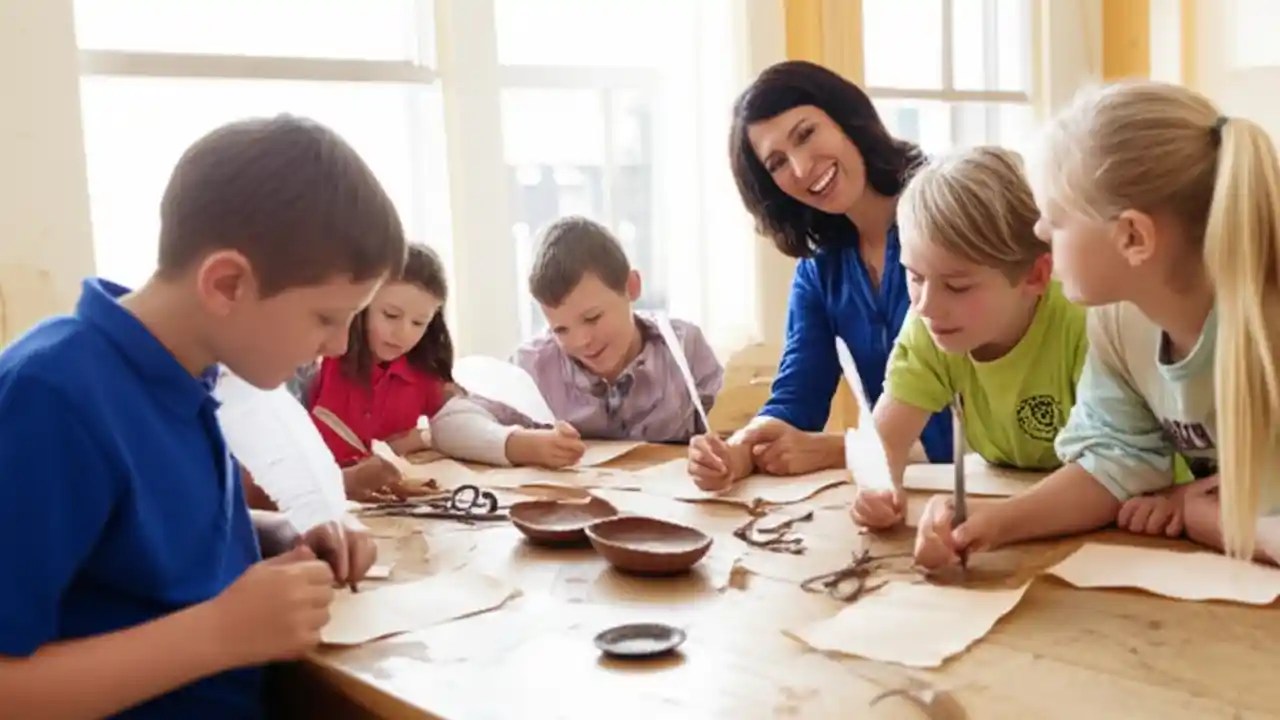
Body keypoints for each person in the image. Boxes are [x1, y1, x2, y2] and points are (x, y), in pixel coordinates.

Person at [0, 115, 391, 717]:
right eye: (325, 318)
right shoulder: (54, 394)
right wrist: (219, 634)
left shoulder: (185, 375)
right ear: (228, 284)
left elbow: (129, 551)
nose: (338, 347)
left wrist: (275, 541)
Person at [913, 80, 1280, 570]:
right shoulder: (1115, 323)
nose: (1040, 233)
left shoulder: (1264, 318)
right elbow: (1114, 462)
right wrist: (991, 522)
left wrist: (1203, 518)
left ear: (1132, 235)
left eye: (1056, 220)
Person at [687, 59, 952, 491]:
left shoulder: (946, 211)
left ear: (844, 118)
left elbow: (977, 430)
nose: (801, 168)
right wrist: (738, 449)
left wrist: (837, 449)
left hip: (1003, 486)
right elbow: (796, 398)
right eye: (776, 163)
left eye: (806, 134)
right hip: (903, 498)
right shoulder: (819, 270)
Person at [851, 146, 1086, 529]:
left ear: (1036, 277)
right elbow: (885, 445)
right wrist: (878, 489)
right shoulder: (929, 323)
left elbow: (1106, 476)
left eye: (957, 286)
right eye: (914, 276)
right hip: (1012, 496)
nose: (926, 305)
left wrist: (991, 522)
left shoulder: (1083, 324)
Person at [471, 216, 723, 455]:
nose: (582, 341)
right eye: (560, 330)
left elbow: (737, 432)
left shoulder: (684, 347)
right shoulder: (532, 368)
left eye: (592, 318)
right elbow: (458, 422)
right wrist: (517, 445)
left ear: (631, 287)